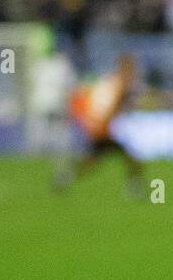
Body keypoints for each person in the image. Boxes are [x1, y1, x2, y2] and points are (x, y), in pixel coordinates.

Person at [55, 53, 145, 198]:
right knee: (132, 160)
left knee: (91, 164)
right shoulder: (120, 84)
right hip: (102, 132)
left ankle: (65, 177)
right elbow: (112, 106)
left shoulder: (113, 81)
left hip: (100, 130)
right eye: (131, 67)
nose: (134, 70)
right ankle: (135, 189)